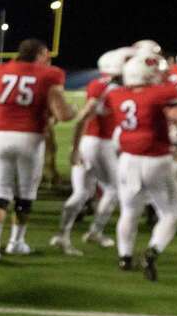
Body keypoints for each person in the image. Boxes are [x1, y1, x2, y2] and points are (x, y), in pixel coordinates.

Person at [0, 39, 74, 261]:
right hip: (30, 137)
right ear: (40, 54)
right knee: (25, 194)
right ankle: (16, 242)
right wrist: (74, 111)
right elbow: (62, 113)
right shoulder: (49, 74)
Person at [104, 52, 177, 279]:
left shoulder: (117, 94)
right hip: (156, 160)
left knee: (129, 211)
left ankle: (124, 257)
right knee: (171, 213)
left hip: (128, 159)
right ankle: (152, 251)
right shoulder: (161, 92)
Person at [50, 48, 126, 254]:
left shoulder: (103, 85)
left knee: (82, 192)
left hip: (91, 142)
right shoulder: (110, 88)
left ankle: (62, 235)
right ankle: (95, 231)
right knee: (113, 190)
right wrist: (75, 148)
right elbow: (84, 117)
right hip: (100, 143)